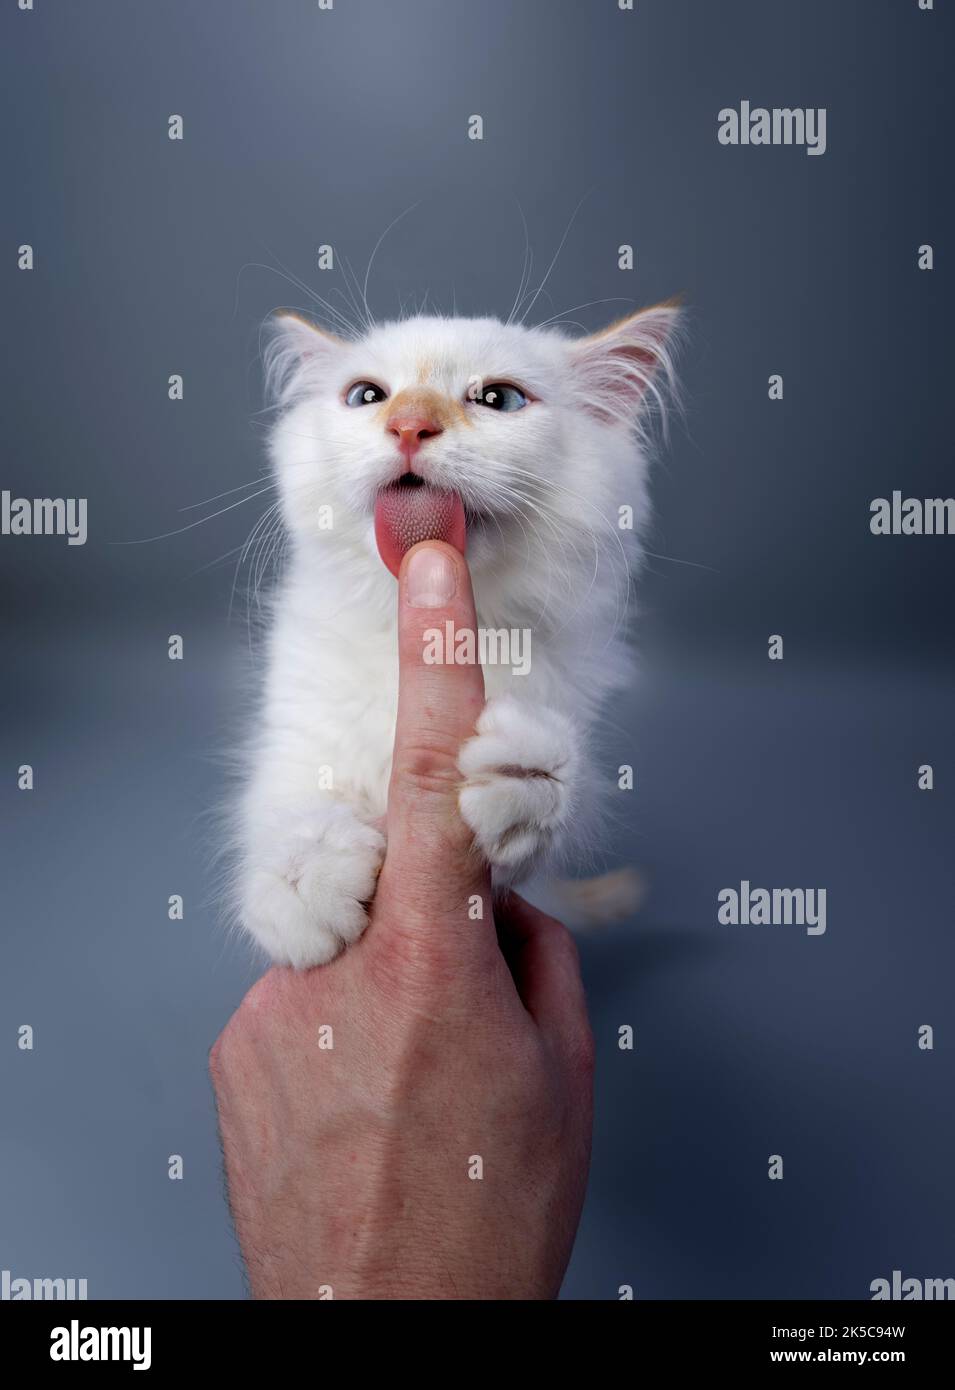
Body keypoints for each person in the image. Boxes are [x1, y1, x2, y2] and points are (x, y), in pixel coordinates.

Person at [209, 542, 595, 1299]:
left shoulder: (565, 630)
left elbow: (495, 854)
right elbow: (287, 800)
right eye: (365, 409)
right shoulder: (311, 630)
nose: (412, 421)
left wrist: (523, 811)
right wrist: (295, 859)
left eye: (491, 409)